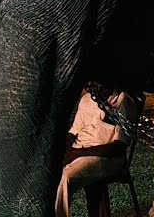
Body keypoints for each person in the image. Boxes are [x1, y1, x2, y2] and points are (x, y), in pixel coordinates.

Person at [58, 89, 143, 217]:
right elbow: (73, 131)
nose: (96, 85)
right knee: (50, 172)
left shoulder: (123, 101)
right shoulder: (86, 99)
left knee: (65, 177)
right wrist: (66, 151)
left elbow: (118, 147)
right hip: (79, 150)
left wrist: (77, 153)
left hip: (108, 158)